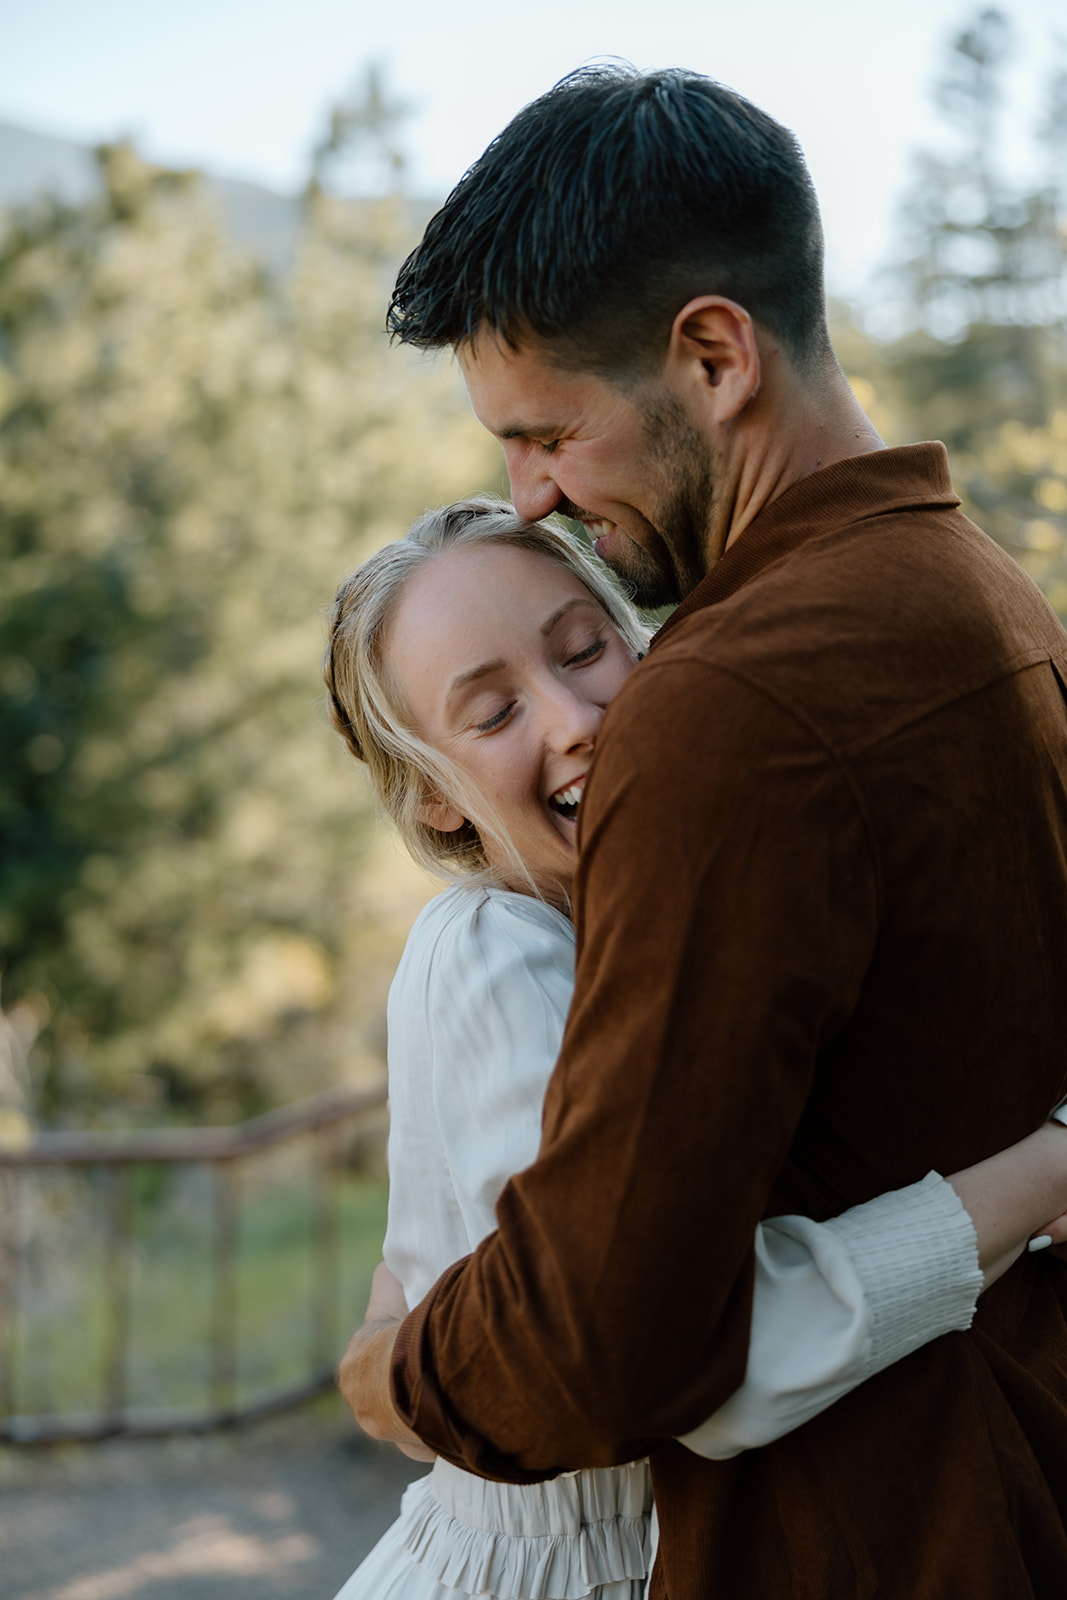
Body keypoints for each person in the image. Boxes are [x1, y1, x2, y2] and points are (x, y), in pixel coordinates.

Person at [342, 67, 1067, 1598]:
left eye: (547, 435)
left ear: (716, 354)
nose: (528, 496)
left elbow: (606, 1339)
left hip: (866, 1534)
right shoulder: (987, 598)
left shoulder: (735, 700)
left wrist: (400, 1371)